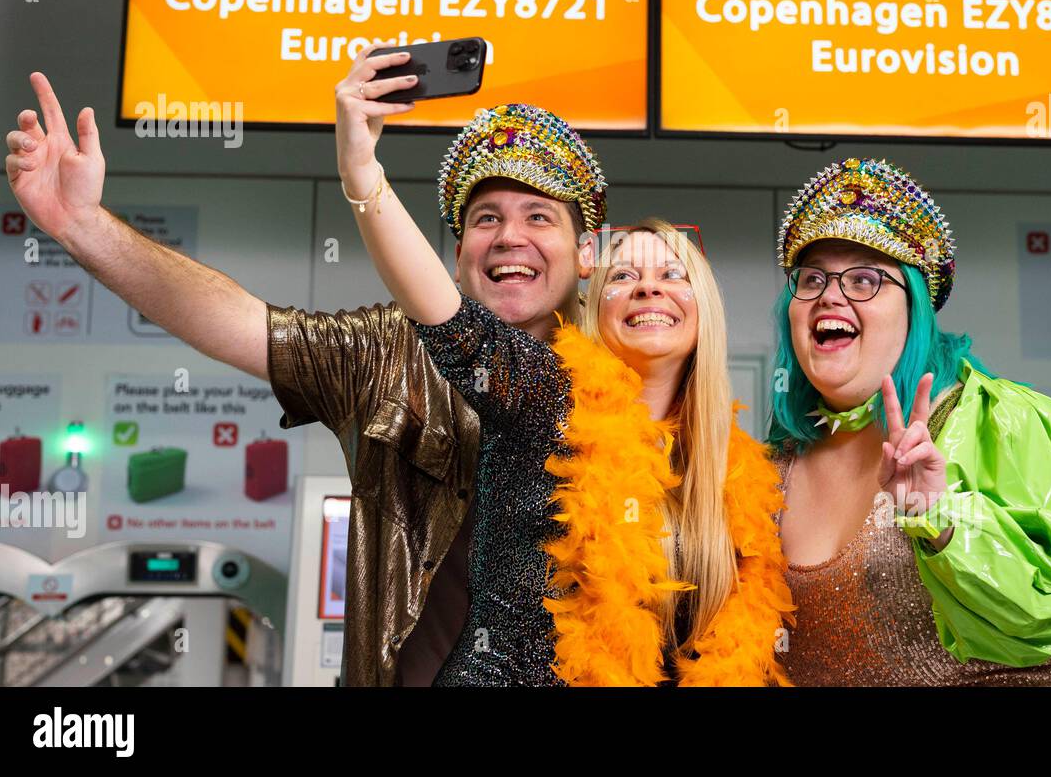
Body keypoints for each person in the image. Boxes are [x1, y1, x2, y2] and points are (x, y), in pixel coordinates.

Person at [1, 56, 598, 686]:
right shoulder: (388, 355)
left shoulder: (636, 386)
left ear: (587, 253)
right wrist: (83, 225)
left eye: (539, 216)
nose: (509, 236)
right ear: (453, 259)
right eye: (486, 219)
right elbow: (234, 322)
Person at [338, 63, 793, 684]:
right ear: (595, 300)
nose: (648, 289)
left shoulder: (734, 474)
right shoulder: (549, 398)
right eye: (625, 275)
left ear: (703, 309)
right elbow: (440, 313)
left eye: (671, 274)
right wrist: (363, 175)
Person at [767, 156, 1051, 686]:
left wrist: (940, 520)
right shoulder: (767, 472)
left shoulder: (996, 421)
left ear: (915, 309)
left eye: (865, 279)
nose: (830, 295)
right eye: (812, 277)